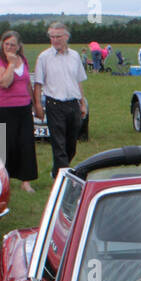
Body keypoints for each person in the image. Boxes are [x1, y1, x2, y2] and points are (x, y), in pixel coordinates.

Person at [33, 23, 87, 178]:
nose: (55, 40)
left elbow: (78, 81)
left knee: (71, 145)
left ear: (66, 37)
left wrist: (82, 102)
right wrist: (38, 106)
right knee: (59, 144)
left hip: (73, 104)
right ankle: (63, 178)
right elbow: (38, 84)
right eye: (52, 37)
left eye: (58, 36)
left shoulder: (75, 56)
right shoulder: (44, 57)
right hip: (54, 104)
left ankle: (56, 171)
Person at [0, 31, 37, 193]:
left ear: (19, 46)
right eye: (6, 44)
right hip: (2, 109)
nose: (9, 47)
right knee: (2, 146)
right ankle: (0, 181)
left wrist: (35, 104)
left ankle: (26, 181)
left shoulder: (23, 60)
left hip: (23, 107)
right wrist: (10, 64)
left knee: (25, 144)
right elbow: (4, 82)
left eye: (13, 44)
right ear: (2, 44)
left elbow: (27, 83)